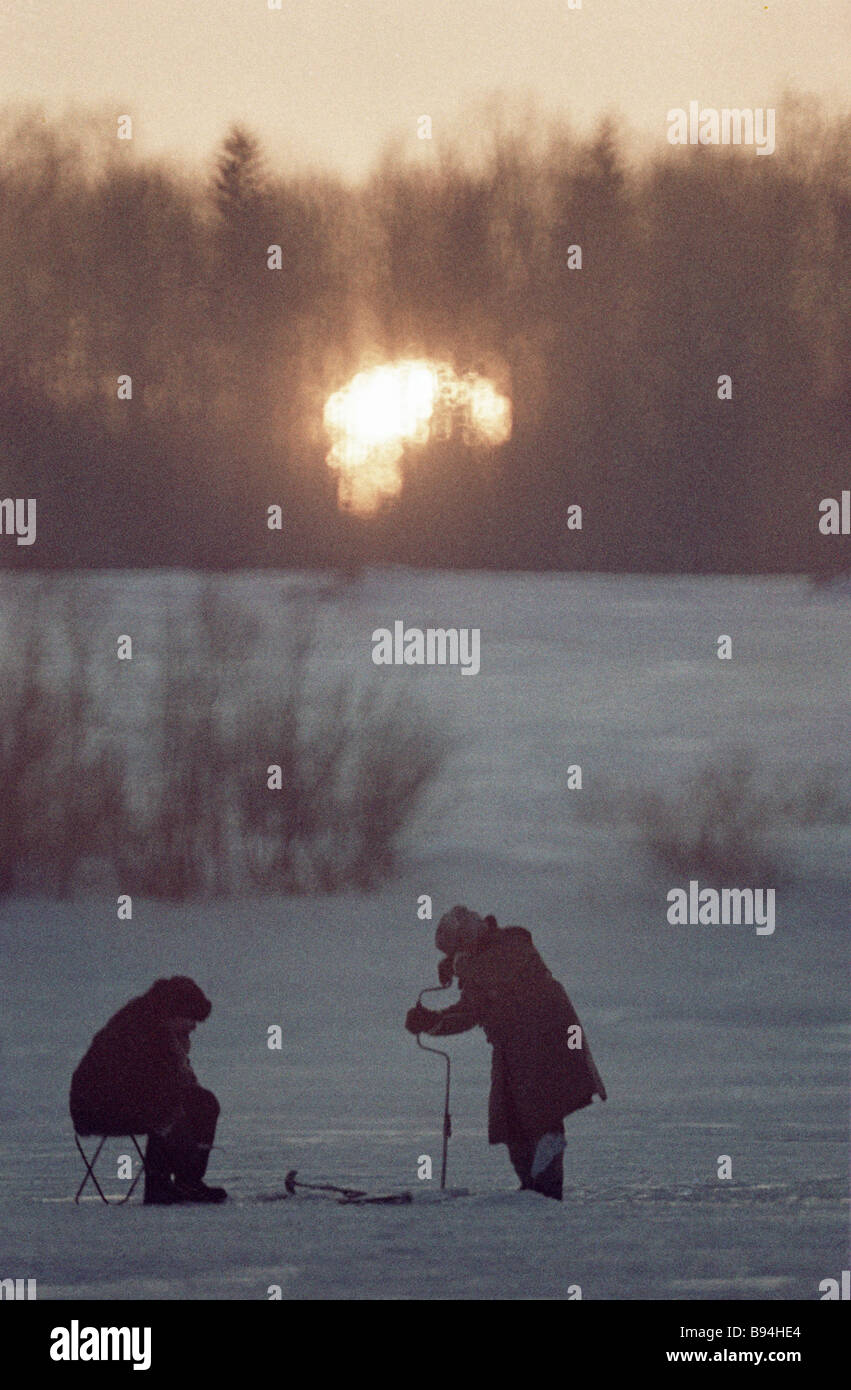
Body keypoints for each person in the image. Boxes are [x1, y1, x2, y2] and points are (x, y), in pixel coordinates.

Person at [405, 906, 606, 1200]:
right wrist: (432, 1022)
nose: (454, 958)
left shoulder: (513, 943)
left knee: (542, 1114)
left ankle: (546, 1189)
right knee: (509, 1117)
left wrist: (458, 965)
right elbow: (470, 1011)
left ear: (468, 938)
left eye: (457, 949)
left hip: (549, 1039)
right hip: (511, 1045)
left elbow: (495, 971)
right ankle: (531, 1187)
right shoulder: (476, 966)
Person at [70, 976, 227, 1205]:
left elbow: (181, 1086)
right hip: (97, 1108)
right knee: (165, 1106)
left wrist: (181, 1061)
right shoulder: (138, 1031)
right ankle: (159, 1185)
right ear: (173, 1012)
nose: (194, 1026)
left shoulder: (163, 1032)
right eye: (191, 1019)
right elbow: (150, 1086)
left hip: (136, 1101)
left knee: (203, 1102)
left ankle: (189, 1181)